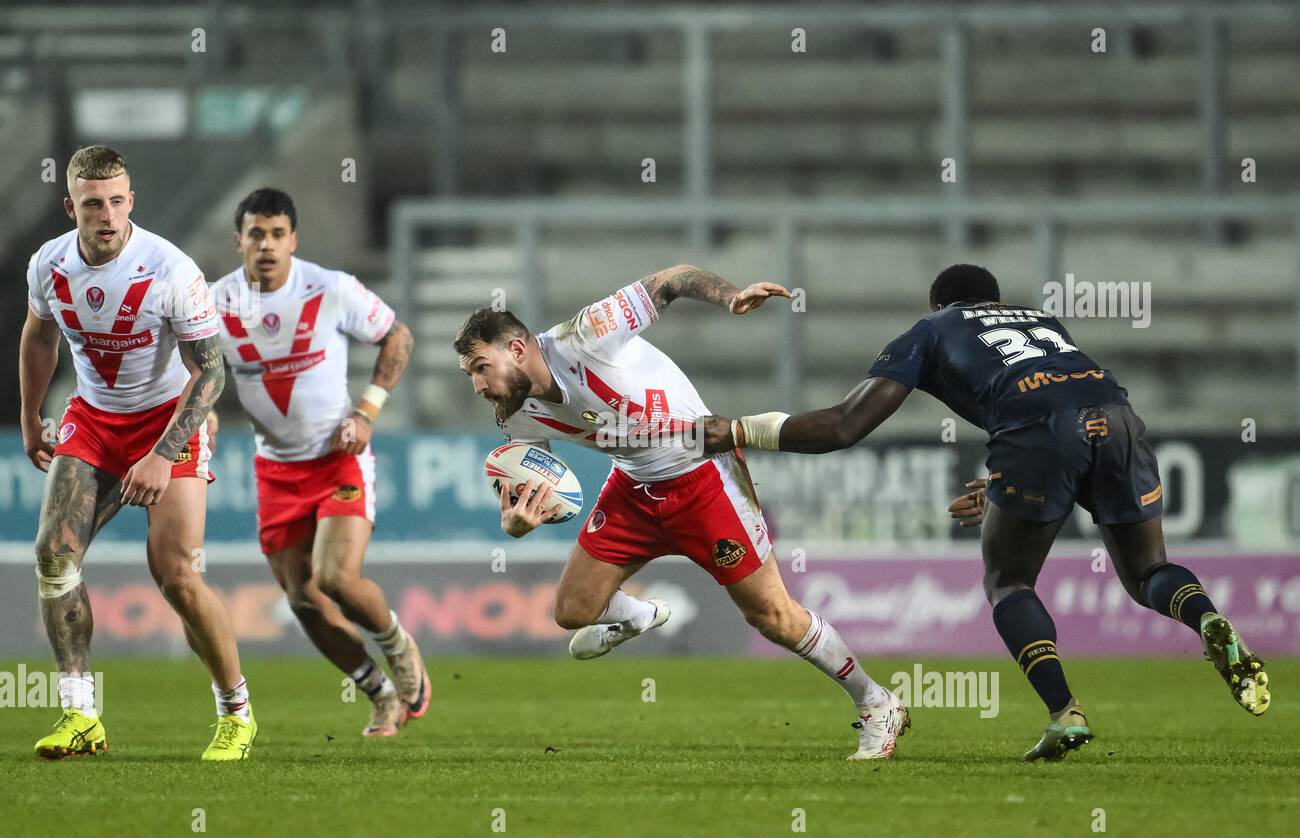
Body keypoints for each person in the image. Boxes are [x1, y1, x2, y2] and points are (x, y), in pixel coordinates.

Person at [699, 263, 1270, 761]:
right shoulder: (1042, 321)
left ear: (940, 303)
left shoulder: (932, 329)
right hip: (1115, 414)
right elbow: (1055, 398)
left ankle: (1066, 711)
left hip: (1036, 434)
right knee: (1147, 572)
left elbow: (846, 425)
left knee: (1009, 581)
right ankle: (1206, 620)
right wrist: (1006, 480)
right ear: (994, 299)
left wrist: (742, 430)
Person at [454, 266, 908, 761]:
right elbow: (528, 482)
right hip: (631, 486)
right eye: (470, 374)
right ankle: (640, 617)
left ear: (517, 349)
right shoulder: (513, 411)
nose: (478, 385)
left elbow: (674, 279)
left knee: (773, 616)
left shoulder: (587, 335)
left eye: (481, 367)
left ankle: (876, 701)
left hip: (703, 477)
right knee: (572, 613)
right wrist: (514, 525)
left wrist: (732, 297)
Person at [20, 145, 256, 760]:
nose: (107, 214)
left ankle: (236, 712)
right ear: (70, 205)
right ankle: (80, 717)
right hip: (94, 420)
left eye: (118, 201)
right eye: (93, 203)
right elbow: (39, 334)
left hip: (168, 420)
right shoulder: (48, 264)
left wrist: (160, 454)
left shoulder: (171, 270)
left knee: (176, 575)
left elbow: (210, 375)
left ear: (132, 200)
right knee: (53, 555)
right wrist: (29, 415)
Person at [209, 188, 429, 737]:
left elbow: (397, 336)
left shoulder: (330, 288)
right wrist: (203, 408)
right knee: (303, 600)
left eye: (277, 234)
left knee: (334, 578)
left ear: (293, 240)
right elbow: (186, 363)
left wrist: (368, 411)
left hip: (337, 460)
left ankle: (400, 650)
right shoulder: (215, 302)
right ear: (238, 240)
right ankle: (379, 694)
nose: (266, 245)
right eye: (256, 234)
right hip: (275, 470)